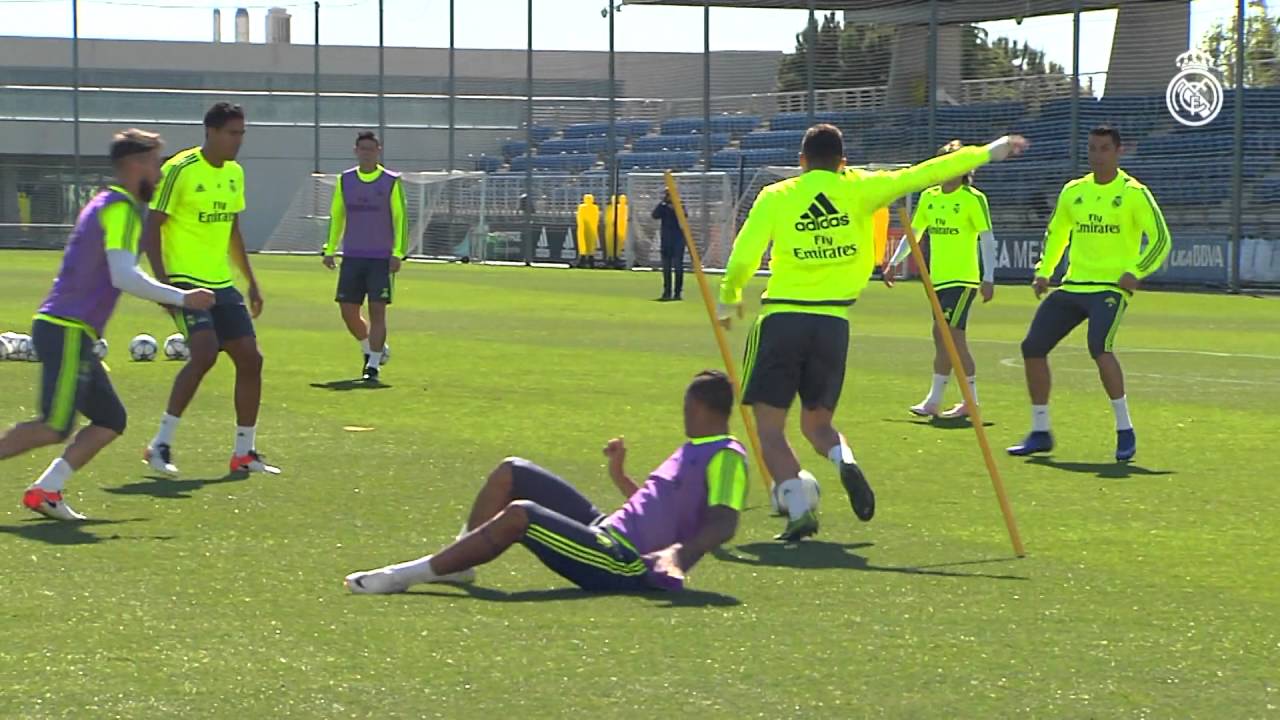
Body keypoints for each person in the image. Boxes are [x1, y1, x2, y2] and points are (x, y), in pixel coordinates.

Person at [719, 124, 1028, 541]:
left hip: (782, 318)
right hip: (834, 323)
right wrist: (990, 150)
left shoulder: (777, 195)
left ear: (802, 160)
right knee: (818, 426)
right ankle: (842, 457)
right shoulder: (863, 187)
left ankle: (798, 509)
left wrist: (730, 293)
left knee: (770, 428)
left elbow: (744, 252)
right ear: (843, 161)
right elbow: (926, 173)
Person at [344, 370, 748, 594]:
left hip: (622, 562)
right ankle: (456, 564)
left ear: (696, 407)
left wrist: (678, 555)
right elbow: (662, 505)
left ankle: (406, 576)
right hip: (606, 531)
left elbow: (725, 522)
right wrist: (620, 476)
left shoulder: (726, 455)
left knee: (522, 515)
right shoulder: (694, 447)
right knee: (512, 471)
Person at [0, 130, 215, 520]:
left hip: (74, 333)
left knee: (111, 420)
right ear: (134, 165)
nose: (160, 174)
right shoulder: (118, 209)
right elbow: (123, 275)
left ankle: (46, 490)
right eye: (154, 164)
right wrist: (182, 298)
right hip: (65, 328)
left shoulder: (108, 204)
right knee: (54, 425)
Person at [1008, 126, 1171, 462]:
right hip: (1073, 285)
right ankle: (1040, 431)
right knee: (1032, 347)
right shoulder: (1074, 191)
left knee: (1099, 346)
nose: (1097, 155)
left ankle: (1125, 430)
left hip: (1110, 288)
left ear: (1118, 152)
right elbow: (1057, 235)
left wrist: (1136, 271)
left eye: (1104, 149)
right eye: (1093, 149)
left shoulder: (1133, 193)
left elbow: (1161, 239)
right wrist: (1044, 271)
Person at [141, 102, 280, 477]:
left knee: (251, 359)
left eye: (242, 133)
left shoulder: (234, 174)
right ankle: (160, 444)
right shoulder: (179, 170)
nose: (238, 141)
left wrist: (250, 280)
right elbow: (151, 228)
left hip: (221, 282)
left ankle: (244, 452)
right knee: (204, 353)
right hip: (184, 280)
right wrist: (163, 286)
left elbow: (233, 231)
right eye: (232, 133)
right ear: (211, 132)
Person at [884, 139, 999, 420]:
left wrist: (988, 277)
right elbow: (915, 233)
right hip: (938, 280)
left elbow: (986, 239)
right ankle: (934, 400)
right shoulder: (929, 198)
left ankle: (971, 401)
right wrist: (894, 263)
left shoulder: (973, 199)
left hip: (963, 281)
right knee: (941, 336)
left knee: (953, 337)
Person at [323, 131, 408, 383]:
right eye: (362, 149)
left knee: (377, 310)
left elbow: (401, 218)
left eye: (371, 149)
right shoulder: (345, 180)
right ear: (356, 151)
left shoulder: (391, 181)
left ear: (378, 151)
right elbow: (337, 216)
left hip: (381, 258)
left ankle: (372, 366)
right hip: (353, 255)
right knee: (348, 311)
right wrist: (330, 249)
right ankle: (370, 347)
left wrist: (398, 253)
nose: (367, 153)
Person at [652, 190, 686, 301]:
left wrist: (676, 206)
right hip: (666, 240)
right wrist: (663, 204)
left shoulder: (680, 205)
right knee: (666, 268)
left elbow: (684, 216)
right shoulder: (663, 207)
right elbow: (655, 215)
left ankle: (677, 292)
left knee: (678, 267)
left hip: (678, 240)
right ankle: (666, 292)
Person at [575, 193, 600, 268]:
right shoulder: (583, 207)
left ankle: (587, 259)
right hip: (587, 227)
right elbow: (580, 217)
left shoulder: (593, 207)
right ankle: (587, 260)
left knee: (589, 243)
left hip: (589, 227)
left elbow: (596, 217)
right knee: (586, 243)